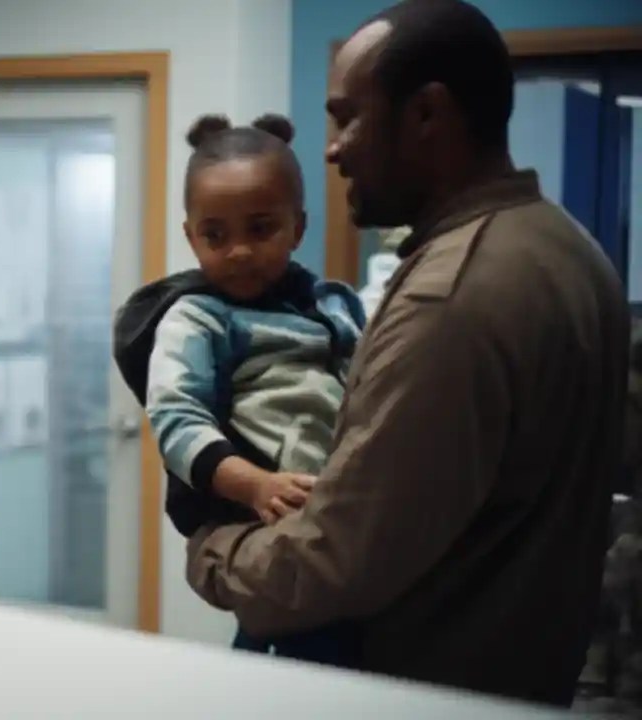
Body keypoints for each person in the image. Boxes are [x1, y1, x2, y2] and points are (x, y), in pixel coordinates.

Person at [183, 0, 631, 707]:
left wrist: (214, 549)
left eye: (347, 116)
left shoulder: (452, 296)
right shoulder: (571, 250)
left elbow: (336, 558)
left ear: (426, 114)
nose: (332, 148)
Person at [112, 113, 364, 663]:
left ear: (299, 226)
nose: (239, 251)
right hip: (267, 512)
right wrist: (254, 486)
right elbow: (177, 418)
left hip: (339, 509)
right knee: (310, 655)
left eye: (260, 228)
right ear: (190, 236)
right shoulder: (198, 319)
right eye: (216, 236)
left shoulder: (336, 305)